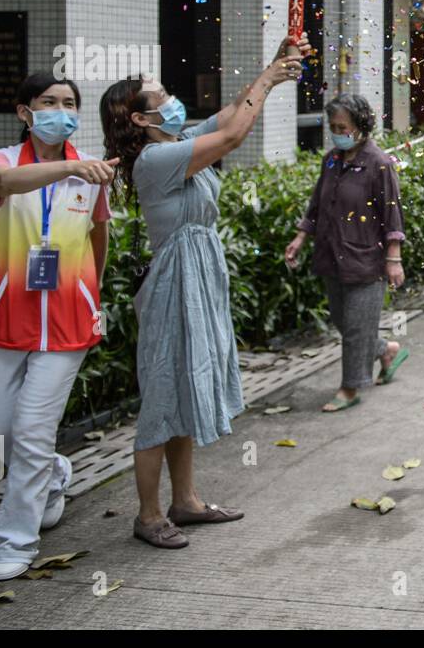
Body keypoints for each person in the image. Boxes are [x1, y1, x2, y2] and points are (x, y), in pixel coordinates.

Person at [100, 39, 306, 549]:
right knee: (162, 396)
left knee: (186, 391)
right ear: (141, 120)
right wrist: (273, 80)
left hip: (198, 276)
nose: (170, 98)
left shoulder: (178, 140)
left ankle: (185, 501)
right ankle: (147, 516)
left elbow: (232, 111)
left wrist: (270, 65)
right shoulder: (155, 159)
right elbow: (236, 134)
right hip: (173, 283)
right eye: (159, 95)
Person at [0, 73, 117, 581]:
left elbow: (99, 235)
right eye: (48, 102)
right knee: (0, 438)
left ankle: (15, 541)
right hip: (2, 319)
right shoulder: (1, 162)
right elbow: (4, 188)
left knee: (32, 431)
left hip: (65, 324)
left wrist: (88, 293)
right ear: (24, 112)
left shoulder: (92, 177)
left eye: (70, 102)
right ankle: (56, 473)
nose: (61, 110)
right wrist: (73, 166)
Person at [284, 93, 408, 412]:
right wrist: (300, 238)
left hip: (367, 260)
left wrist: (394, 259)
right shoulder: (331, 160)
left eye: (343, 126)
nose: (337, 131)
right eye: (333, 126)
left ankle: (350, 388)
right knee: (343, 321)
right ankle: (385, 349)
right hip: (331, 256)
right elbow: (316, 205)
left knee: (355, 328)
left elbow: (392, 214)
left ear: (361, 125)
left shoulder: (379, 163)